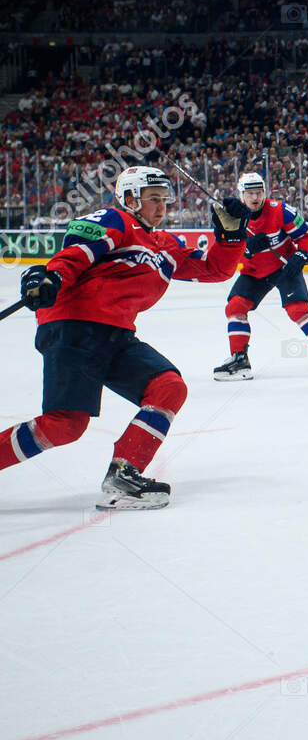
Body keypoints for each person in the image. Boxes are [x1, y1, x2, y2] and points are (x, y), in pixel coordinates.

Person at [3, 167, 249, 509]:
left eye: (165, 199)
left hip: (116, 334)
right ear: (130, 199)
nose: (162, 206)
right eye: (153, 199)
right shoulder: (115, 220)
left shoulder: (165, 245)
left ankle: (123, 474)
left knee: (168, 386)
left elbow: (215, 270)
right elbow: (75, 254)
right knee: (65, 425)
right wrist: (50, 277)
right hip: (75, 326)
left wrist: (232, 238)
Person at [213, 172, 308, 380]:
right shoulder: (232, 217)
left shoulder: (281, 211)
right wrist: (248, 248)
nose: (255, 198)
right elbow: (225, 248)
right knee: (235, 307)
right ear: (241, 196)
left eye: (259, 193)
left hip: (284, 268)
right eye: (250, 194)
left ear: (264, 192)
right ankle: (240, 360)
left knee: (298, 310)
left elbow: (306, 236)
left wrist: (301, 254)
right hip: (254, 271)